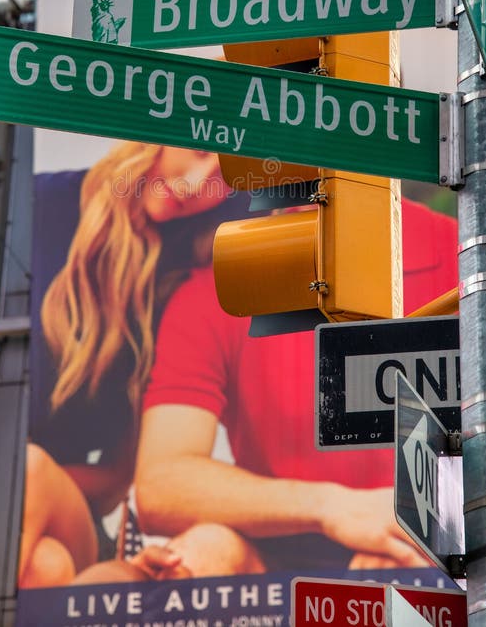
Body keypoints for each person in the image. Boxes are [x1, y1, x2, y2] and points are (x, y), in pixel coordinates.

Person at [134, 197, 458, 574]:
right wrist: (331, 508)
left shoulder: (464, 257)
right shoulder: (223, 285)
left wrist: (425, 527)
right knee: (200, 554)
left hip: (436, 538)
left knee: (397, 572)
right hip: (276, 545)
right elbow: (161, 486)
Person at [20, 141, 249, 588]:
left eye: (225, 179)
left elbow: (116, 481)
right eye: (201, 154)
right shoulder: (35, 207)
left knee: (26, 470)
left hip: (72, 512)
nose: (194, 187)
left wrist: (37, 486)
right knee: (46, 566)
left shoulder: (185, 276)